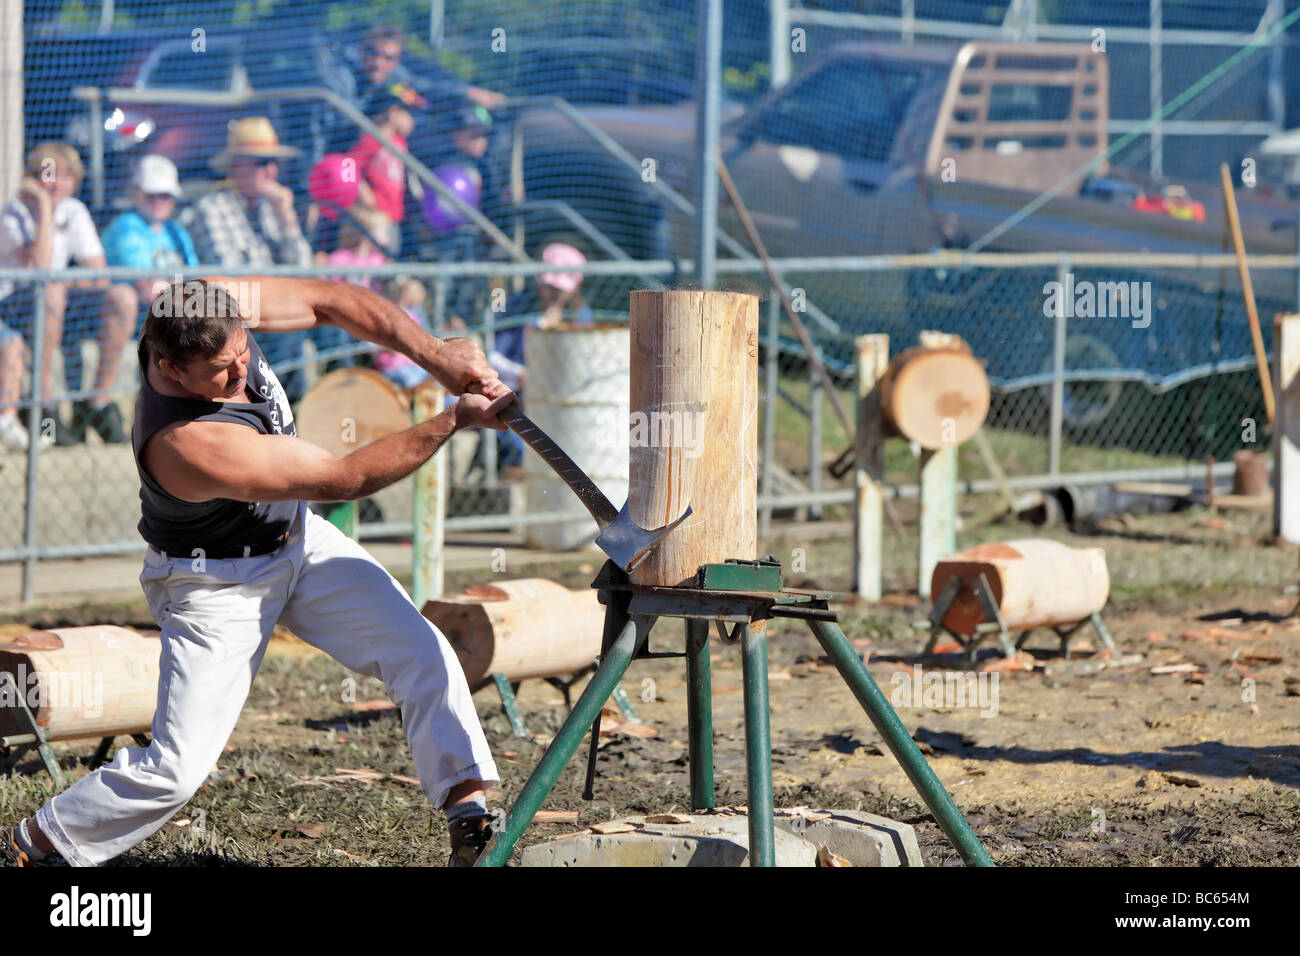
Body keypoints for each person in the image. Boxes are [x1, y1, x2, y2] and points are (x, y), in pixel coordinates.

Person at [2, 275, 514, 868]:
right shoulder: (184, 441)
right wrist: (454, 420)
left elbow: (332, 300)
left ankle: (470, 821)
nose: (241, 374)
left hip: (297, 539)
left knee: (423, 652)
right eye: (221, 371)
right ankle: (32, 843)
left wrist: (436, 355)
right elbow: (341, 477)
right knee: (176, 771)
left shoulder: (207, 302)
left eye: (243, 352)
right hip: (216, 584)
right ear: (170, 369)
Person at [0, 142, 138, 444]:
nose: (57, 183)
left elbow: (98, 274)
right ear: (32, 178)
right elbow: (37, 268)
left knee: (122, 297)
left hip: (56, 300)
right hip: (13, 305)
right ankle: (43, 404)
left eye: (66, 176)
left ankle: (98, 403)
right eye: (49, 175)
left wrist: (63, 283)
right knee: (50, 293)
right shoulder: (14, 213)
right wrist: (44, 210)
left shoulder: (74, 210)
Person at [180, 117, 316, 398]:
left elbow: (305, 269)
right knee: (291, 327)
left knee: (330, 319)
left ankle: (336, 401)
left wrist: (288, 218)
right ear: (236, 166)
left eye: (272, 162)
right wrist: (281, 291)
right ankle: (278, 406)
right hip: (230, 312)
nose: (270, 170)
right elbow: (232, 277)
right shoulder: (212, 209)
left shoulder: (273, 209)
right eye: (260, 162)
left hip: (274, 304)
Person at [102, 155, 199, 337]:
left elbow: (196, 279)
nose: (157, 202)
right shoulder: (126, 226)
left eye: (164, 196)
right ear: (135, 192)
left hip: (176, 314)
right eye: (150, 195)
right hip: (143, 320)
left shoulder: (176, 229)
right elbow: (147, 288)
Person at [347, 84, 425, 256]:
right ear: (392, 113)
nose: (413, 120)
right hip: (374, 216)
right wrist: (360, 190)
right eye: (408, 113)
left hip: (394, 216)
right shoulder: (371, 139)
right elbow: (347, 164)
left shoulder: (399, 142)